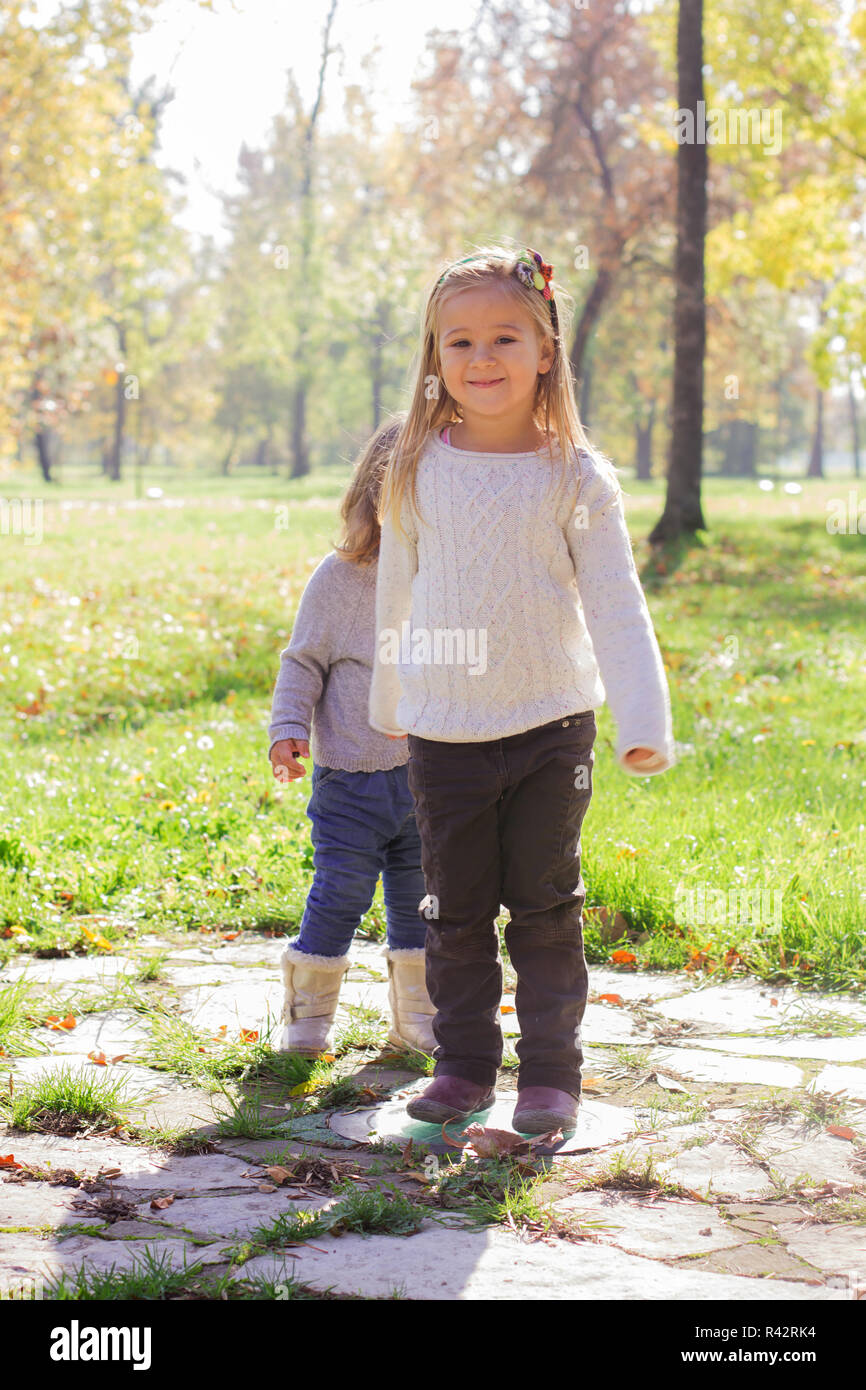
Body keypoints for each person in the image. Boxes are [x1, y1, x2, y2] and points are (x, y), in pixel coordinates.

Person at [368, 243, 675, 1134]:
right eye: (458, 343)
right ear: (436, 361)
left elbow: (617, 606)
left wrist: (641, 722)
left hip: (551, 728)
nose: (482, 358)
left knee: (544, 906)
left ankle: (551, 1077)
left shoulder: (577, 476)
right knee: (454, 912)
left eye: (505, 336)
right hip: (446, 735)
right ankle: (461, 1067)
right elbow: (399, 593)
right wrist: (393, 701)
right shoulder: (417, 468)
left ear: (546, 349)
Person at [268, 418, 436, 1058]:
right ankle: (308, 1018)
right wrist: (288, 728)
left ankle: (417, 1019)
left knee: (421, 905)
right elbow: (302, 661)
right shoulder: (340, 579)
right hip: (351, 781)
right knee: (340, 891)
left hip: (428, 779)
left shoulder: (446, 585)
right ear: (373, 497)